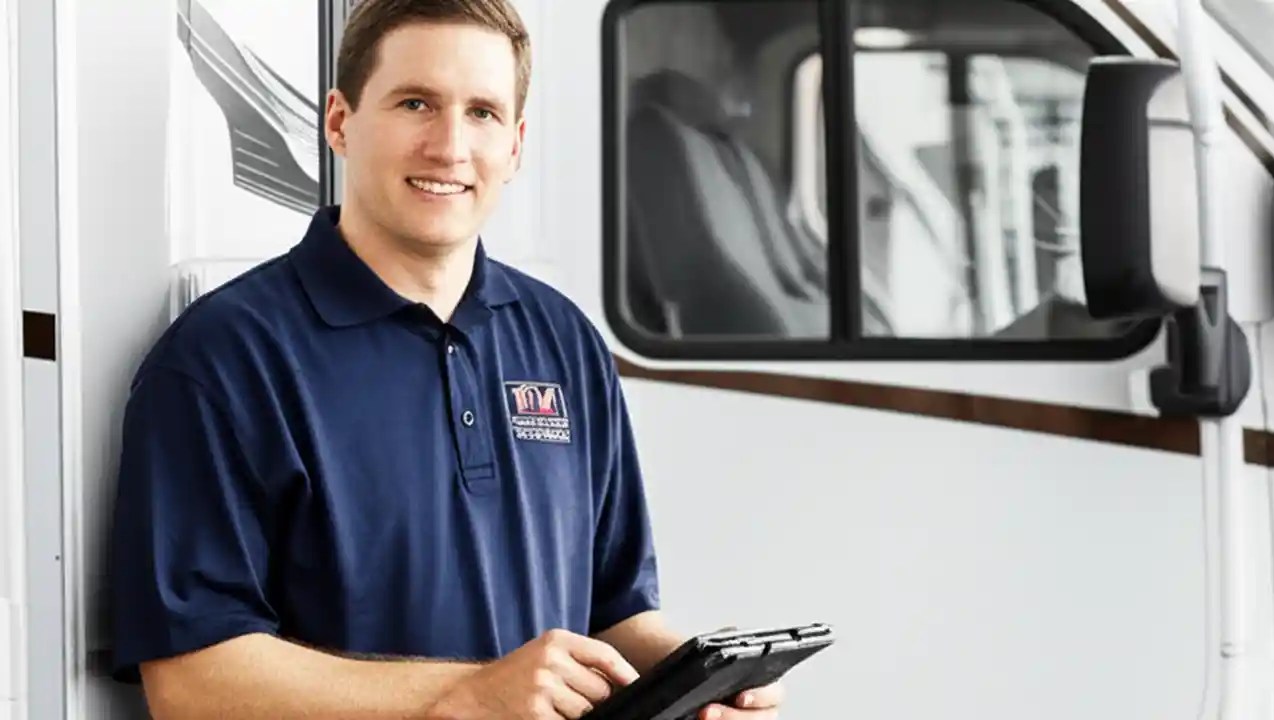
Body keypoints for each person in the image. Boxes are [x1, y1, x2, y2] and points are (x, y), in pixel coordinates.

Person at [108, 1, 786, 718]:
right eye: (415, 104)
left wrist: (699, 678)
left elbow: (614, 611)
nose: (449, 146)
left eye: (482, 113)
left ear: (515, 145)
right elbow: (190, 682)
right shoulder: (223, 359)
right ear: (339, 122)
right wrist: (466, 693)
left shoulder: (566, 341)